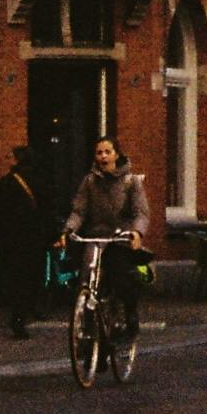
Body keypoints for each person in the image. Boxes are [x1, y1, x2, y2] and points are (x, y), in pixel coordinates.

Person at [65, 132, 149, 336]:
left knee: (119, 277)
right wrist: (69, 230)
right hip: (96, 237)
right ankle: (90, 331)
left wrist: (137, 232)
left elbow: (141, 212)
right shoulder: (90, 182)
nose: (103, 157)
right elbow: (79, 211)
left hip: (120, 237)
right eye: (99, 153)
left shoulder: (131, 182)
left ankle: (128, 313)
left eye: (107, 152)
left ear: (116, 155)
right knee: (87, 279)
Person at [0, 140, 50, 337]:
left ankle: (18, 316)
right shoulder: (40, 180)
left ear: (16, 160)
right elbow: (47, 209)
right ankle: (29, 309)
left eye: (9, 157)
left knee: (16, 280)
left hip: (12, 241)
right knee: (32, 277)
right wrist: (53, 235)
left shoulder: (6, 183)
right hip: (35, 239)